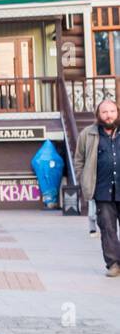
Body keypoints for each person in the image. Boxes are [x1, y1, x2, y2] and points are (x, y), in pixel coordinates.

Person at [72, 98, 120, 277]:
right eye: (105, 112)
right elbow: (79, 160)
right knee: (107, 229)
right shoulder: (88, 134)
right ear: (98, 115)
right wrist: (83, 180)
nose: (109, 115)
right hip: (102, 191)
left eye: (112, 111)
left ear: (117, 112)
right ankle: (113, 264)